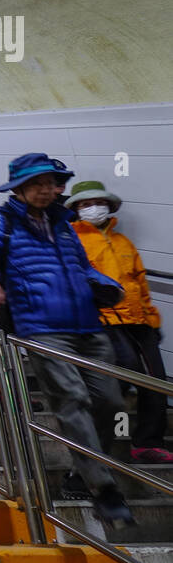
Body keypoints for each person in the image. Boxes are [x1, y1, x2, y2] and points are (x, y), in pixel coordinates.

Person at [0, 153, 133, 526]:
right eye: (37, 184)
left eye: (50, 183)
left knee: (109, 401)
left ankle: (84, 472)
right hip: (41, 328)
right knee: (72, 398)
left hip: (88, 325)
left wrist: (106, 285)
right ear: (20, 188)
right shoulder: (1, 222)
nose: (46, 190)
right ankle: (104, 488)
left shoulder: (62, 224)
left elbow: (82, 267)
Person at [66, 180, 172, 464]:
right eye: (86, 204)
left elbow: (139, 282)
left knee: (156, 381)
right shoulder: (71, 239)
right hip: (103, 320)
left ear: (109, 206)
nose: (94, 208)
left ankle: (147, 443)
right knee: (127, 371)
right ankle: (94, 434)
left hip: (139, 321)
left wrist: (151, 319)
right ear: (76, 209)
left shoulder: (123, 242)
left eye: (98, 202)